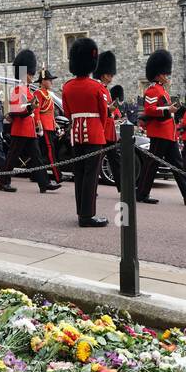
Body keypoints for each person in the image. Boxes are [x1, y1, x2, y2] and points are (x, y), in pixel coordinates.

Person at [136, 49, 186, 206]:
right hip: (160, 133)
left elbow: (163, 109)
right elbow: (149, 109)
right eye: (165, 74)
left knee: (178, 165)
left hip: (168, 133)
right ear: (158, 74)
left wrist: (173, 109)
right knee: (151, 164)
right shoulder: (152, 89)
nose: (167, 76)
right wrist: (168, 110)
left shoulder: (162, 90)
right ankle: (141, 193)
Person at [62, 37, 108, 228]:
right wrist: (100, 129)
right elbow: (103, 113)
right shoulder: (97, 87)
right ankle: (88, 215)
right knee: (91, 174)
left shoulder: (67, 87)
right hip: (94, 132)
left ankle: (81, 211)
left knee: (79, 174)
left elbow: (67, 112)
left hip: (76, 134)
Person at [0, 49, 58, 194]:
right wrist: (30, 108)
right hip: (20, 129)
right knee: (12, 157)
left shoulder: (27, 90)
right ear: (25, 74)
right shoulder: (18, 89)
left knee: (37, 157)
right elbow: (16, 110)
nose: (32, 76)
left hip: (29, 128)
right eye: (31, 74)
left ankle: (44, 183)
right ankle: (3, 182)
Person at [96, 51, 121, 190]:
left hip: (108, 129)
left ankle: (122, 186)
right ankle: (90, 188)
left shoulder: (106, 90)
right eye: (110, 74)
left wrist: (115, 112)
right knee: (95, 162)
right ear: (105, 74)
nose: (111, 76)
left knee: (114, 159)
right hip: (102, 130)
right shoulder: (99, 88)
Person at [36, 69, 62, 184]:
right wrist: (39, 125)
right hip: (44, 127)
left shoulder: (47, 94)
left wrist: (55, 124)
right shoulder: (39, 93)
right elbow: (37, 111)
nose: (51, 82)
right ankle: (58, 176)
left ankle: (35, 175)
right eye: (49, 80)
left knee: (44, 153)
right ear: (42, 81)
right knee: (50, 152)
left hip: (50, 126)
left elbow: (50, 112)